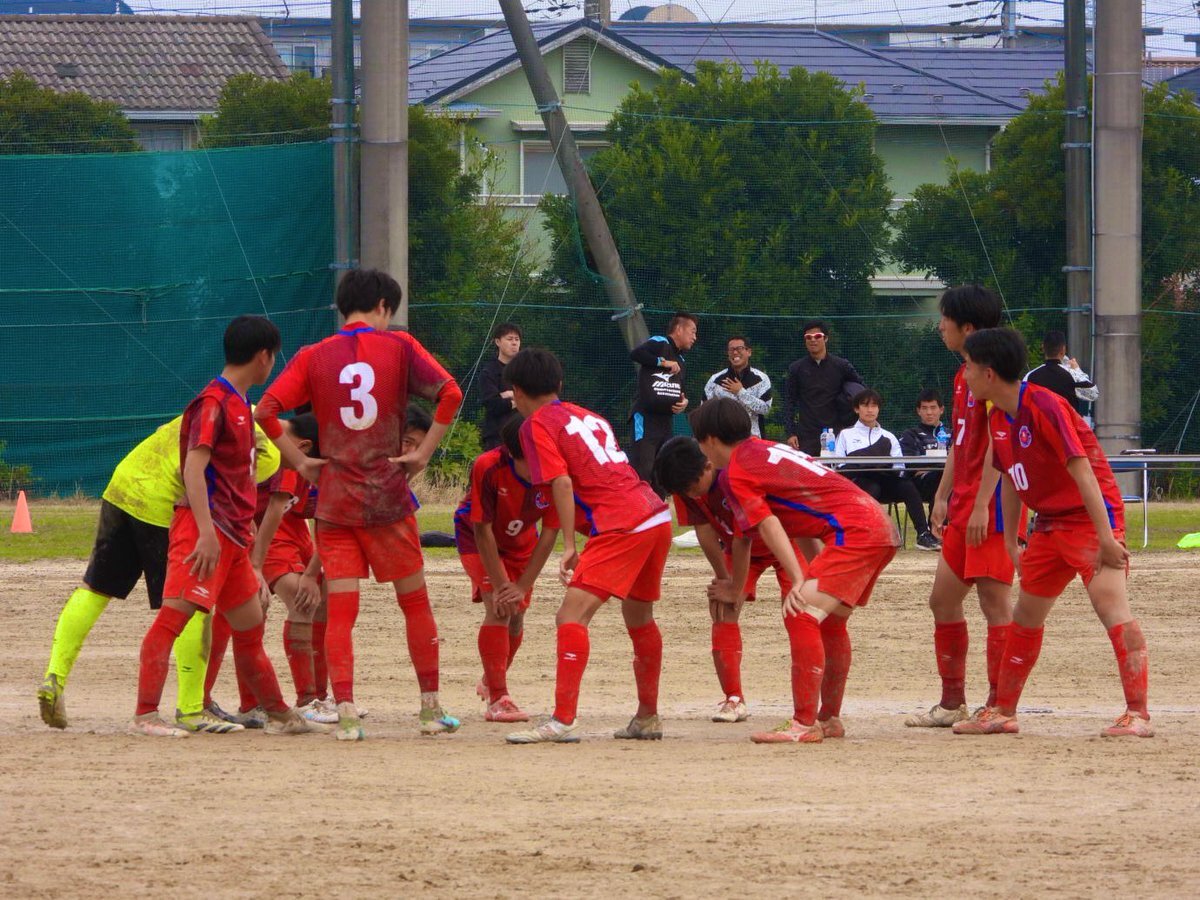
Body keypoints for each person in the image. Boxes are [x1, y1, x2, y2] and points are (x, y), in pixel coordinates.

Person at [254, 268, 464, 742]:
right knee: (414, 603)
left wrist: (302, 465)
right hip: (388, 496)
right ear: (384, 307)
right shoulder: (401, 347)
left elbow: (266, 411)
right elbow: (451, 392)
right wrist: (422, 453)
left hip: (334, 502)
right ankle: (430, 710)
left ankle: (345, 714)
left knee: (342, 611)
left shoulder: (314, 355)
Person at [129, 316, 329, 738]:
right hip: (207, 532)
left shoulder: (241, 403)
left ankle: (280, 714)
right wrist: (204, 532)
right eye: (274, 357)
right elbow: (193, 469)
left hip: (236, 539)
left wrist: (306, 466)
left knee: (250, 627)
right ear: (264, 356)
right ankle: (146, 715)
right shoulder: (214, 403)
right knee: (171, 620)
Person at [952, 327, 1152, 738]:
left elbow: (1084, 472)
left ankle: (1138, 715)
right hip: (1048, 523)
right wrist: (1011, 539)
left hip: (1088, 518)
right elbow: (1010, 474)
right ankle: (1003, 710)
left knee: (1110, 606)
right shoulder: (997, 414)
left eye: (969, 366)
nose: (965, 374)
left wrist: (1108, 536)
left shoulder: (1043, 404)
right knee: (1026, 616)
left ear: (989, 373)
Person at [36, 408, 281, 733]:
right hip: (164, 503)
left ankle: (54, 676)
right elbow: (220, 485)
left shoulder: (231, 407)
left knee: (95, 589)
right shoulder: (269, 453)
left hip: (124, 485)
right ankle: (192, 710)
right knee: (192, 603)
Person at [689, 398, 899, 744]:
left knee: (800, 612)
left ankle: (804, 723)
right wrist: (813, 569)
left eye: (699, 442)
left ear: (710, 440)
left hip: (856, 531)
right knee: (829, 622)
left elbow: (770, 525)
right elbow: (801, 517)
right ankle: (828, 718)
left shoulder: (739, 470)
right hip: (875, 523)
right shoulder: (766, 449)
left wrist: (800, 579)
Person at [502, 348, 673, 744]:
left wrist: (567, 545)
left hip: (621, 524)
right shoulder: (589, 415)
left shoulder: (535, 424)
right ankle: (647, 718)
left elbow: (561, 483)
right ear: (559, 385)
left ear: (517, 392)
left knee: (570, 617)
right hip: (654, 512)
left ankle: (562, 721)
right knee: (640, 618)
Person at [906, 285, 1018, 729]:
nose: (940, 326)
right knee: (943, 601)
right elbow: (961, 441)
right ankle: (953, 701)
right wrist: (942, 494)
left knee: (995, 603)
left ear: (967, 328)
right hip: (966, 500)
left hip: (988, 505)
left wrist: (982, 505)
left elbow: (998, 442)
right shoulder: (962, 375)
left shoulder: (993, 376)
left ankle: (999, 705)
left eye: (945, 320)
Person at [653, 435, 812, 723]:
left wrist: (735, 586)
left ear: (708, 467)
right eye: (682, 492)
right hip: (740, 546)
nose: (690, 495)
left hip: (781, 544)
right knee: (721, 608)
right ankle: (734, 698)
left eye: (692, 488)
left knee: (799, 612)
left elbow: (744, 539)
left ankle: (808, 705)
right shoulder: (684, 480)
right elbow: (703, 529)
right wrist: (724, 579)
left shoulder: (732, 478)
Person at [455, 416, 561, 723]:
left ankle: (491, 678)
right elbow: (481, 528)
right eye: (535, 459)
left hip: (522, 542)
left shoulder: (554, 472)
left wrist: (523, 585)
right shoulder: (488, 466)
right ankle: (498, 698)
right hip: (478, 537)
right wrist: (502, 585)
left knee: (517, 618)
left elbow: (550, 533)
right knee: (499, 608)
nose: (543, 467)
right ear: (513, 455)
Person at [833, 389, 940, 551]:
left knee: (907, 486)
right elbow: (839, 468)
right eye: (865, 405)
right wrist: (867, 460)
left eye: (874, 406)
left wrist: (874, 463)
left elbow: (900, 468)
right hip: (860, 485)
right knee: (871, 486)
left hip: (886, 483)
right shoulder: (845, 435)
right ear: (856, 409)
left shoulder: (888, 436)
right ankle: (866, 535)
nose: (870, 410)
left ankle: (923, 534)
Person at [628, 312, 698, 489]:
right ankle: (638, 511)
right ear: (679, 329)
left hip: (665, 421)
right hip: (645, 418)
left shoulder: (682, 360)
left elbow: (681, 389)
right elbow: (636, 353)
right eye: (692, 331)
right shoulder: (661, 342)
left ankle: (659, 513)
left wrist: (685, 402)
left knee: (661, 472)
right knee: (642, 469)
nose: (694, 337)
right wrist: (662, 362)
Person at [783, 320, 863, 456]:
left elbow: (861, 392)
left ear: (825, 338)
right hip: (807, 435)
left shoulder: (841, 365)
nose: (813, 340)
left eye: (817, 336)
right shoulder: (796, 368)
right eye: (808, 337)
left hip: (836, 432)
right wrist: (790, 433)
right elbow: (789, 401)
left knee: (835, 473)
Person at [703, 335, 773, 437]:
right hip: (724, 442)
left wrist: (741, 392)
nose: (735, 352)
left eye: (739, 348)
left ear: (749, 352)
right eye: (731, 349)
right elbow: (705, 410)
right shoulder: (715, 380)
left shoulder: (761, 379)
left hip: (753, 441)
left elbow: (765, 409)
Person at [1024, 329, 1098, 417]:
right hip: (1067, 428)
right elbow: (1093, 394)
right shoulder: (1071, 374)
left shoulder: (1030, 376)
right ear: (1063, 349)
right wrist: (1077, 370)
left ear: (1043, 348)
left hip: (1039, 428)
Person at [898, 388, 948, 506]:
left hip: (951, 483)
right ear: (918, 411)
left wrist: (928, 466)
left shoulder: (953, 434)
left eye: (933, 407)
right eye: (924, 408)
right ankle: (938, 524)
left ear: (941, 410)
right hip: (920, 485)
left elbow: (959, 461)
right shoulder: (910, 434)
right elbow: (910, 464)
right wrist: (943, 466)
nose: (929, 412)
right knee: (941, 476)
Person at [479, 322, 521, 450]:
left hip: (522, 435)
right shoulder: (489, 371)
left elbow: (535, 397)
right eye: (509, 339)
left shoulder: (525, 370)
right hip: (496, 437)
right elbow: (493, 404)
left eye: (517, 339)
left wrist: (510, 395)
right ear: (497, 342)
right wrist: (521, 400)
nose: (514, 343)